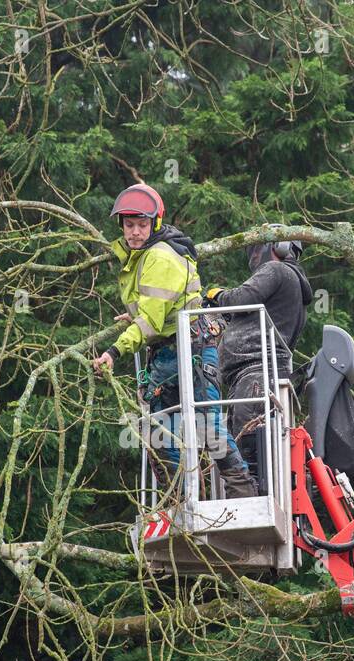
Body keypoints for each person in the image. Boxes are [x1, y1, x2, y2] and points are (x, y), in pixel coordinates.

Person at [92, 184, 257, 499]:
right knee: (158, 431)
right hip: (167, 351)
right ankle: (178, 502)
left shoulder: (160, 256)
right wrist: (140, 318)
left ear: (154, 223)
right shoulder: (144, 255)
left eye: (142, 225)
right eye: (129, 225)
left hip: (192, 348)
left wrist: (115, 351)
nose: (135, 232)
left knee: (208, 426)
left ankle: (243, 494)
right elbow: (159, 310)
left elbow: (151, 321)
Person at [204, 225, 314, 495]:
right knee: (241, 435)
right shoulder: (289, 284)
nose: (254, 255)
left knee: (248, 436)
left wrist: (215, 295)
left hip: (256, 372)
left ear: (279, 247)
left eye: (257, 247)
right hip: (252, 375)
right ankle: (248, 492)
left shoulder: (277, 270)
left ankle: (253, 495)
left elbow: (241, 297)